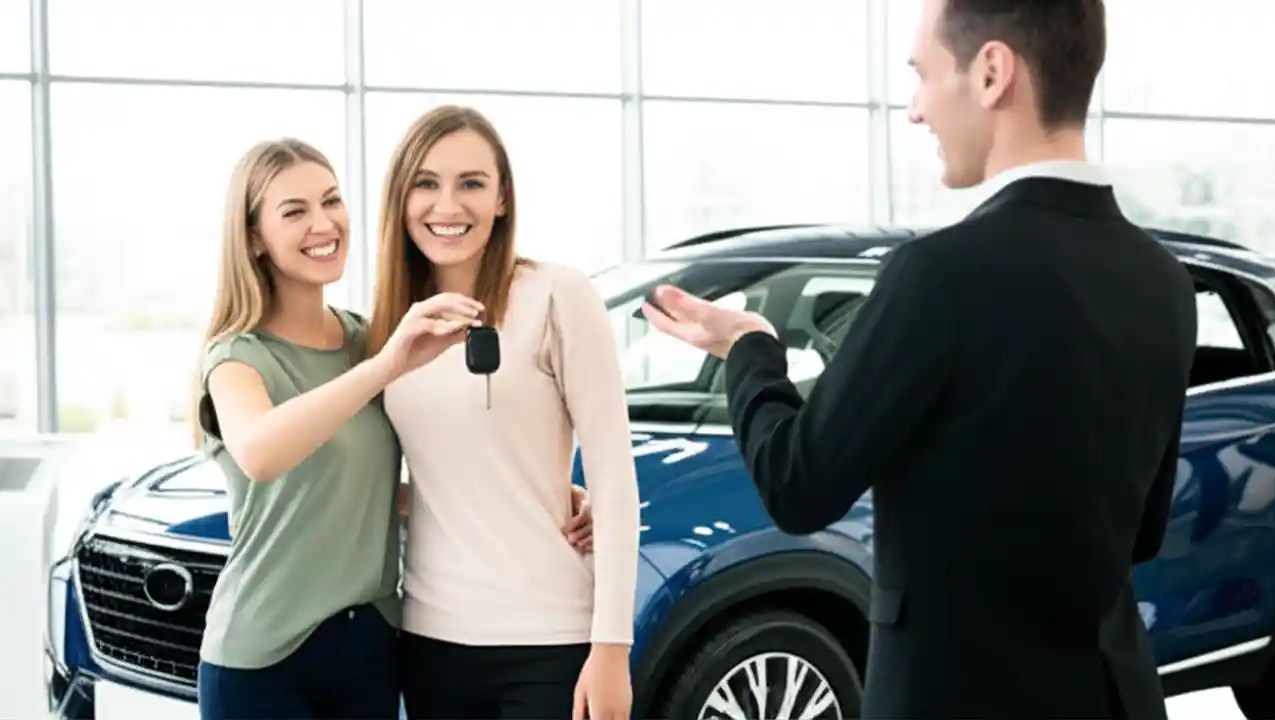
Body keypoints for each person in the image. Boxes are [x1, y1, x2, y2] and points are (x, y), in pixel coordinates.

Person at [642, 1, 1198, 718]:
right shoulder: (1165, 280)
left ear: (992, 72)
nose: (914, 111)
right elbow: (1143, 528)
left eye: (923, 76)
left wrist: (750, 348)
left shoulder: (939, 275)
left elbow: (799, 485)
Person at [193, 138, 594, 720]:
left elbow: (375, 488)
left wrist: (545, 499)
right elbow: (260, 452)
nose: (323, 222)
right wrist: (388, 365)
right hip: (262, 658)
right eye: (295, 211)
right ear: (253, 236)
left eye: (331, 201)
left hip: (369, 650)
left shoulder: (367, 336)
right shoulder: (236, 358)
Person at [366, 105, 640, 720]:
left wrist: (612, 648)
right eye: (426, 183)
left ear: (502, 199)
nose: (447, 205)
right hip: (431, 638)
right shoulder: (392, 324)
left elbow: (615, 477)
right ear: (401, 199)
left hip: (550, 639)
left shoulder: (556, 293)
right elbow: (421, 478)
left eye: (471, 183)